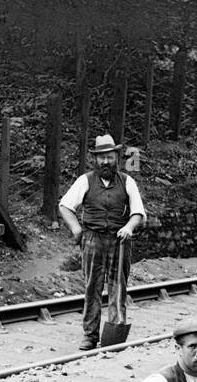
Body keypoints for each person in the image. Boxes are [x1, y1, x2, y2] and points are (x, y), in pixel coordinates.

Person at [57, 133, 145, 350]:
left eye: (110, 157)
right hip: (93, 240)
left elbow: (138, 213)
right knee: (92, 288)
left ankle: (114, 336)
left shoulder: (127, 181)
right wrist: (76, 228)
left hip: (119, 241)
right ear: (95, 160)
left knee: (118, 288)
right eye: (101, 158)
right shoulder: (85, 180)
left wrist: (128, 227)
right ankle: (90, 335)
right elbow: (64, 206)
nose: (105, 162)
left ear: (116, 157)